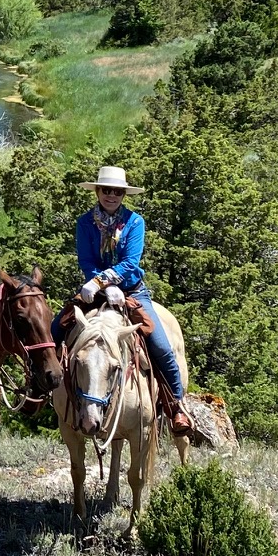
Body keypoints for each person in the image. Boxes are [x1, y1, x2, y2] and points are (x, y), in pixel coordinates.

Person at [70, 165, 191, 436]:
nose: (111, 195)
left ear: (123, 195)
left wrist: (105, 281)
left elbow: (130, 262)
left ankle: (176, 406)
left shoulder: (135, 222)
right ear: (97, 191)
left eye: (117, 191)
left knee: (160, 345)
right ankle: (41, 392)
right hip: (95, 292)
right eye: (106, 190)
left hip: (132, 292)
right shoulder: (84, 223)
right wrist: (98, 284)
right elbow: (86, 260)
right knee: (56, 329)